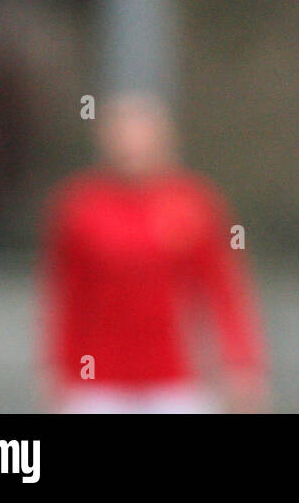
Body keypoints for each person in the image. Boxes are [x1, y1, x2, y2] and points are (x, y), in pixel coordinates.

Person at [39, 93, 268, 413]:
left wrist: (241, 362)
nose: (132, 146)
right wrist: (58, 374)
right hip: (97, 384)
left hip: (175, 382)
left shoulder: (195, 205)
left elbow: (223, 291)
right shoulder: (79, 207)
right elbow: (65, 298)